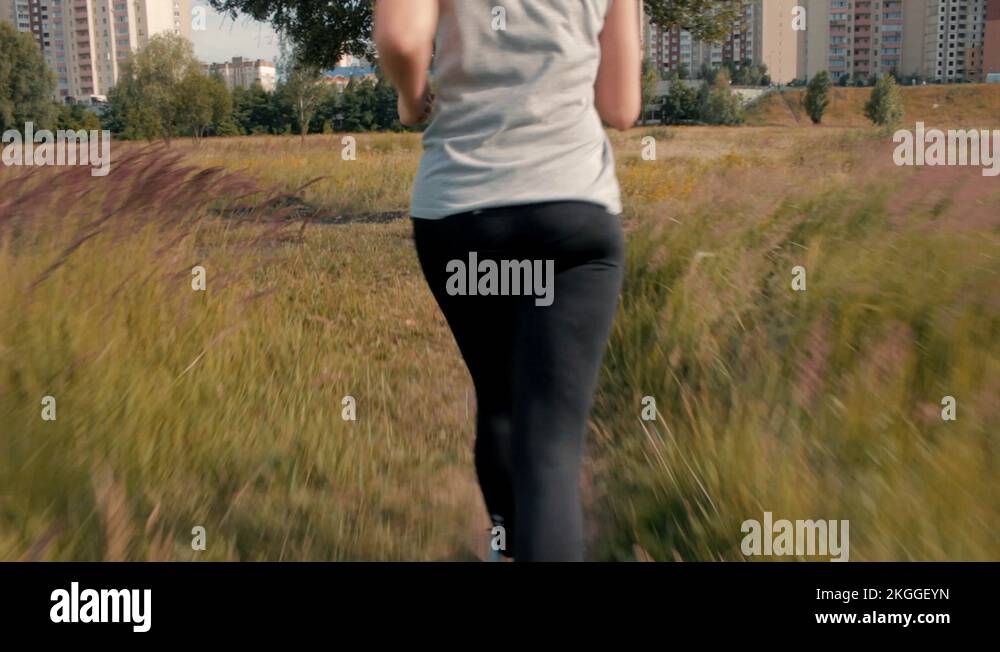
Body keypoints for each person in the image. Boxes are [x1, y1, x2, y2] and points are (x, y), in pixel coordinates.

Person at [375, 0, 641, 561]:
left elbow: (401, 38)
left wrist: (410, 96)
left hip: (463, 214)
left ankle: (508, 543)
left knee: (499, 401)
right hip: (572, 213)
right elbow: (620, 107)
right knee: (550, 446)